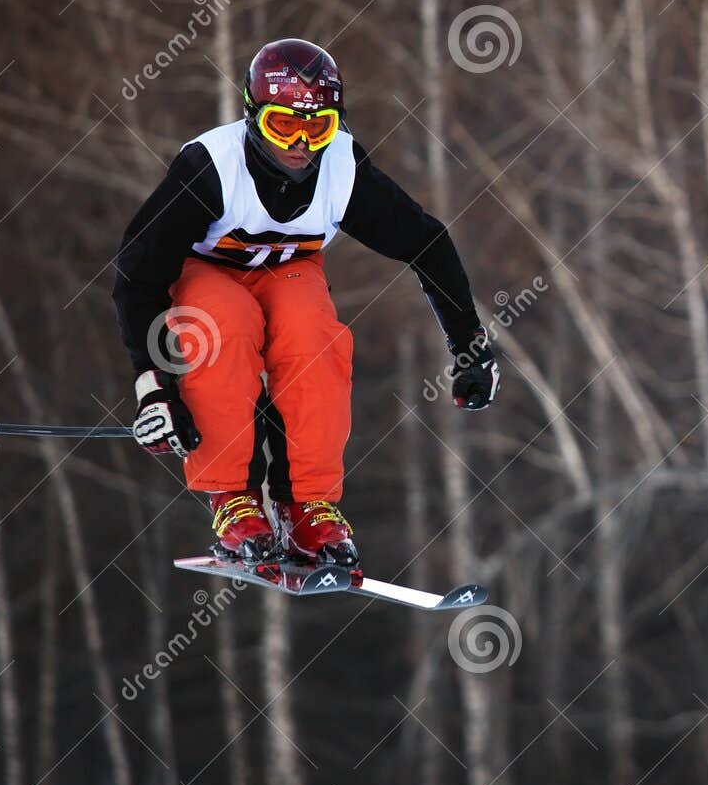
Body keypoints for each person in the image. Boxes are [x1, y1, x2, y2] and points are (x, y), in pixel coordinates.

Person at [112, 38, 498, 566]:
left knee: (311, 330)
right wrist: (152, 385)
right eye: (282, 125)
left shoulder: (342, 167)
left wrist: (469, 345)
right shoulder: (211, 169)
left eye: (317, 127)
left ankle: (308, 507)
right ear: (253, 119)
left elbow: (425, 243)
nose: (299, 144)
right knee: (228, 323)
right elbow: (137, 277)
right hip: (205, 271)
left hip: (289, 271)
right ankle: (234, 498)